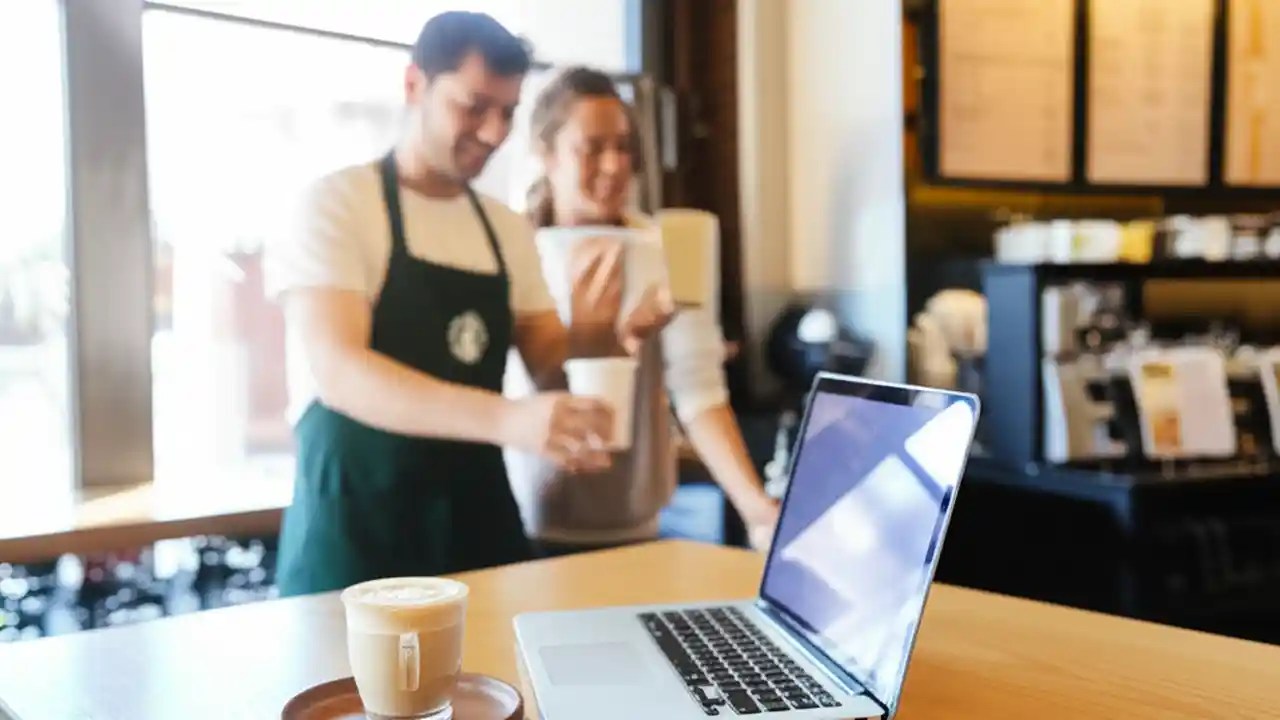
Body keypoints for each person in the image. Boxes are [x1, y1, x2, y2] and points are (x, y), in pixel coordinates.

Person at [267, 14, 665, 596]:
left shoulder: (504, 229)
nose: (493, 130)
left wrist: (603, 333)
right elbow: (341, 373)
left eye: (507, 111)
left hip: (476, 537)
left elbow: (549, 363)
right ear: (414, 86)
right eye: (474, 106)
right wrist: (509, 420)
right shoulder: (337, 206)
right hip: (356, 538)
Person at [504, 67, 780, 556]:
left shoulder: (661, 248)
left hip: (638, 525)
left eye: (624, 146)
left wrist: (757, 509)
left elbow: (699, 391)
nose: (614, 165)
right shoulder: (516, 249)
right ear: (545, 154)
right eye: (591, 148)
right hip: (531, 521)